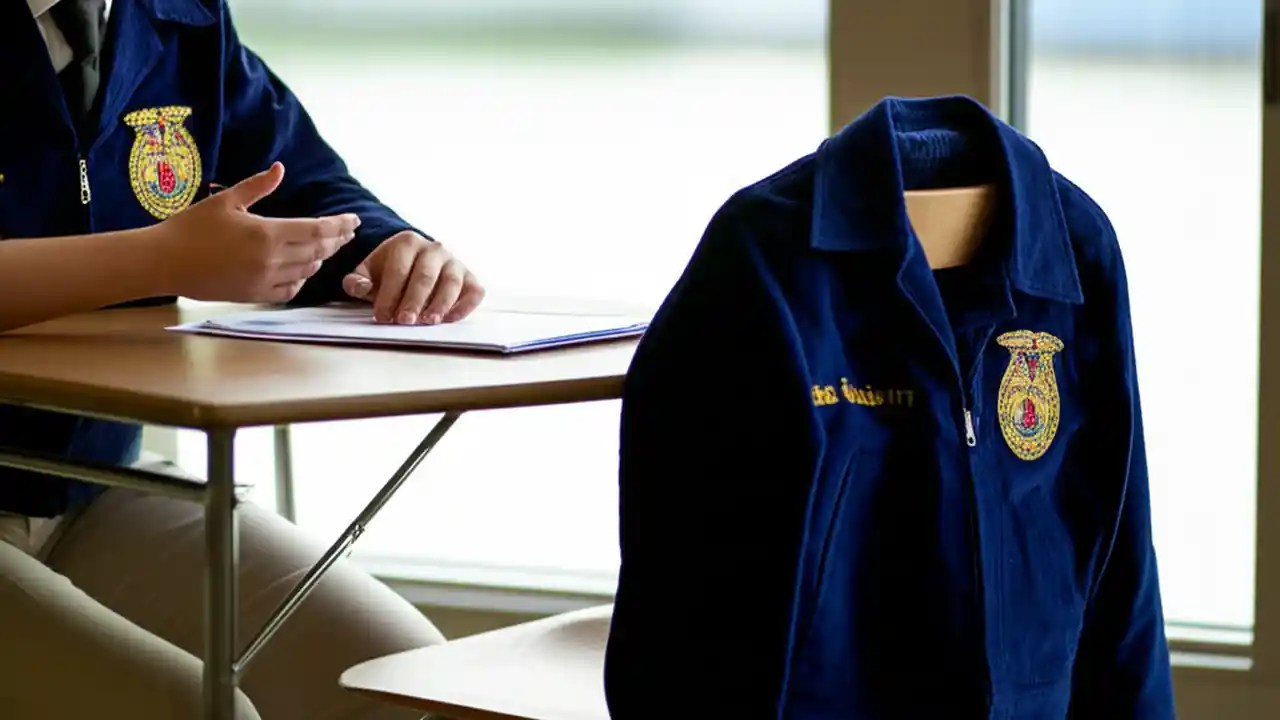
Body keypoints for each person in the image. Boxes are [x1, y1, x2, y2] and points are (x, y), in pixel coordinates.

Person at [0, 1, 484, 718]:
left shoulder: (178, 14)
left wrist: (386, 250)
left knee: (397, 680)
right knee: (190, 708)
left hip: (94, 478)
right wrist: (156, 258)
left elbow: (299, 180)